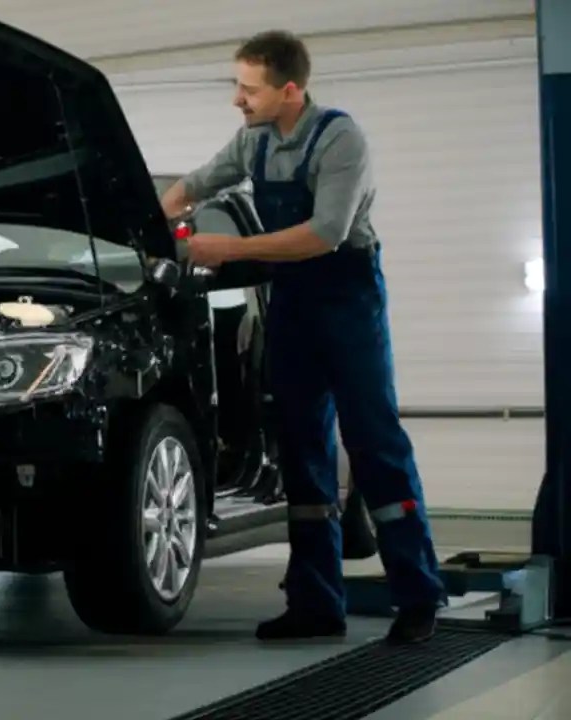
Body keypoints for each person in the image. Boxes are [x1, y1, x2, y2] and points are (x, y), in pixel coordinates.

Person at [159, 29, 446, 645]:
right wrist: (151, 217)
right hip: (292, 303)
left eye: (249, 88)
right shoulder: (253, 141)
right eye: (238, 85)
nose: (238, 98)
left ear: (290, 90)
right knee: (301, 450)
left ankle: (418, 596)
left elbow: (325, 234)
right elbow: (195, 184)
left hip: (347, 297)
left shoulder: (340, 138)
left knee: (373, 440)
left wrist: (228, 248)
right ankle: (316, 603)